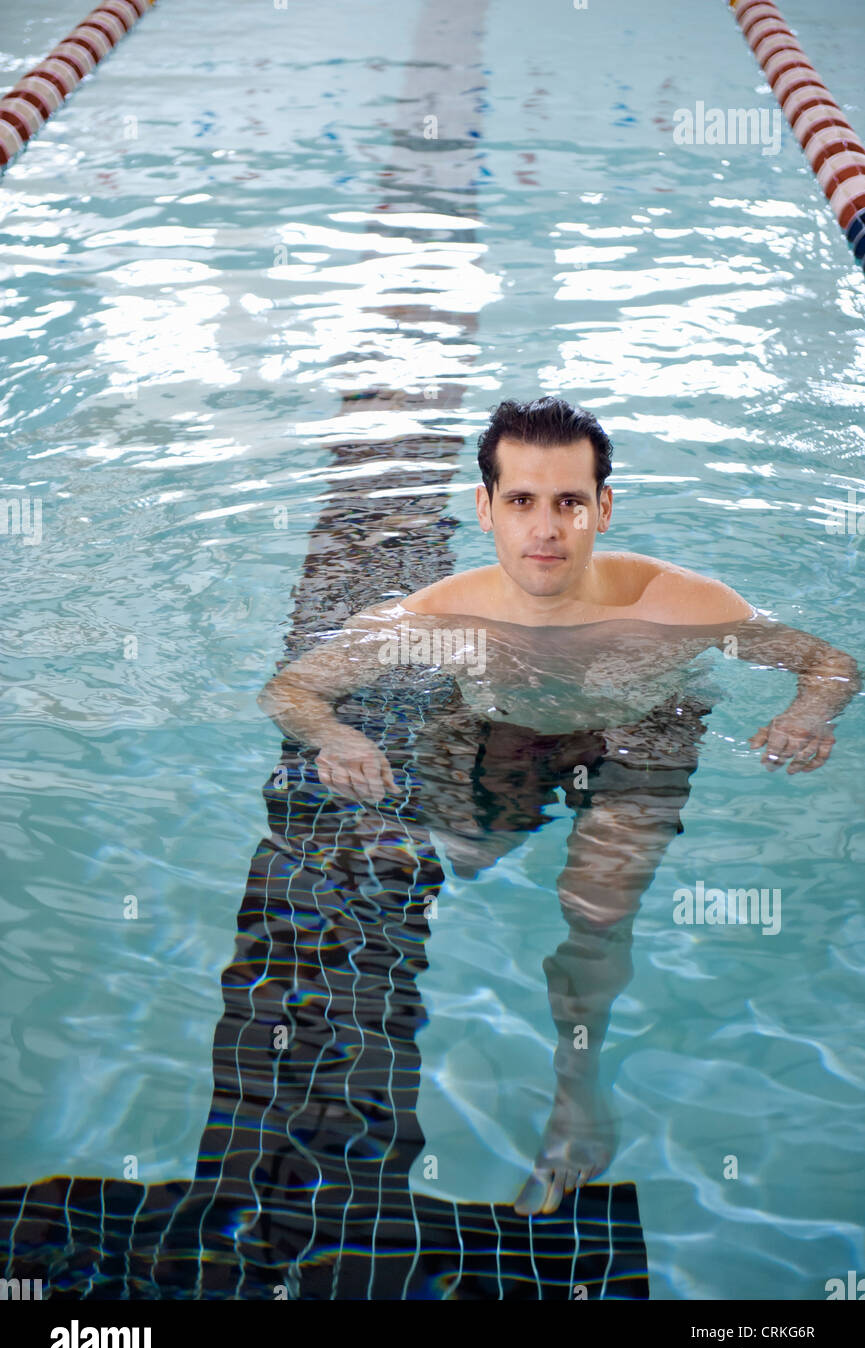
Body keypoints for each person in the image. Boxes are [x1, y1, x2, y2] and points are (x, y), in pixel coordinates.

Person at [257, 396, 860, 1215]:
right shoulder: (440, 613)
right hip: (498, 725)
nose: (545, 528)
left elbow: (826, 663)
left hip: (640, 731)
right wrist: (337, 738)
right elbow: (292, 690)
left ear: (602, 509)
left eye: (569, 502)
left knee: (594, 905)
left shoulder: (674, 604)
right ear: (485, 509)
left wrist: (803, 715)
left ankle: (580, 1100)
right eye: (521, 501)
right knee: (463, 856)